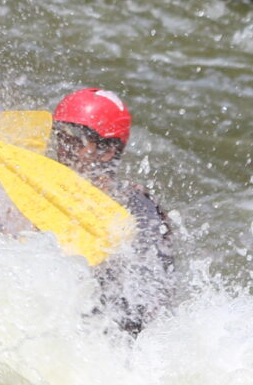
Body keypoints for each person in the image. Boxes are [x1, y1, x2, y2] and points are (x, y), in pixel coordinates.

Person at [48, 88, 183, 335]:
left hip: (116, 328)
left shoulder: (137, 207)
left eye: (76, 139)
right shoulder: (52, 196)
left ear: (107, 151)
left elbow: (147, 288)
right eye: (61, 136)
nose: (63, 148)